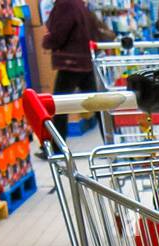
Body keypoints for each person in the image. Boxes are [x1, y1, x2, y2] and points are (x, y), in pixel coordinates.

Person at [42, 0, 111, 142]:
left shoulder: (65, 4)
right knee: (98, 104)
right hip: (84, 60)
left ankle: (56, 147)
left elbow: (60, 32)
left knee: (59, 105)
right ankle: (110, 140)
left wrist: (47, 41)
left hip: (71, 63)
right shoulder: (78, 3)